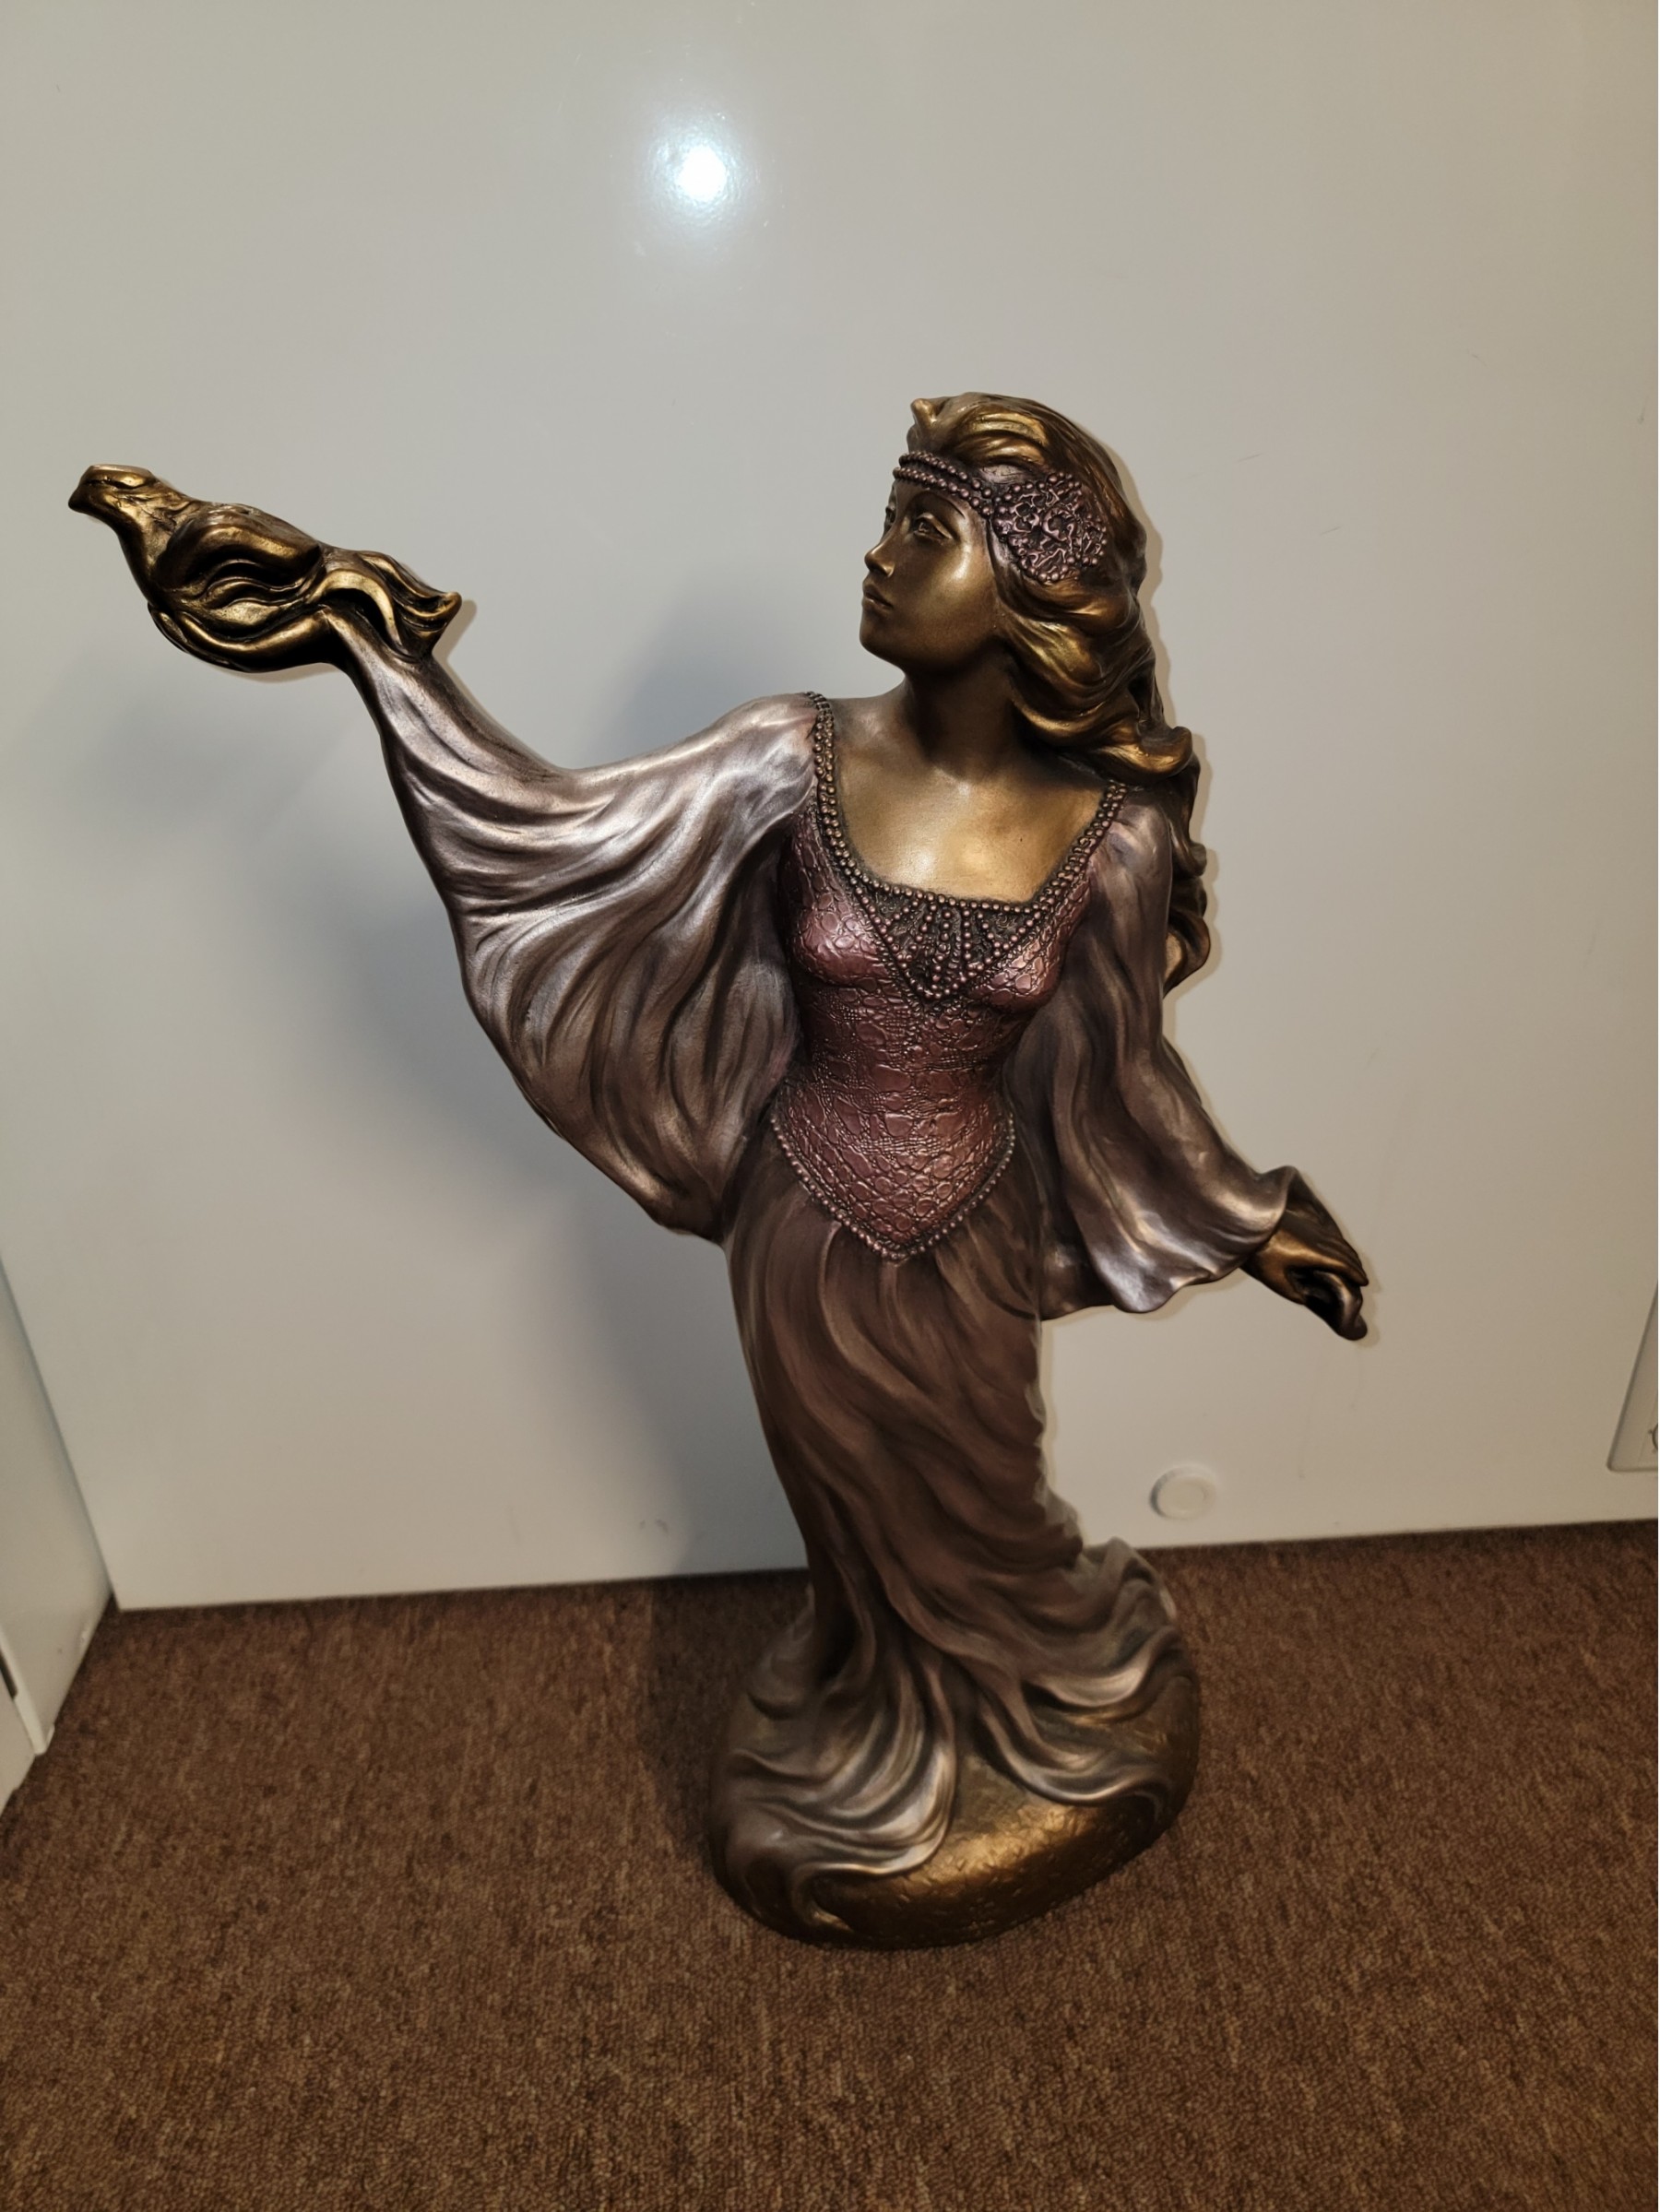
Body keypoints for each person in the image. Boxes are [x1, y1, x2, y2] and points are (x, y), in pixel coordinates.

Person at [71, 392, 1367, 1946]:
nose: (879, 555)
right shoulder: (787, 755)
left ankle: (1017, 1730)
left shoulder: (1115, 840)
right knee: (853, 1521)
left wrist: (1257, 1219)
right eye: (890, 517)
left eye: (926, 530)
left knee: (990, 1508)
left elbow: (1123, 1083)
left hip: (971, 1241)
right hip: (802, 1231)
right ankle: (888, 1746)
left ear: (1028, 584)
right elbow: (549, 840)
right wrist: (374, 649)